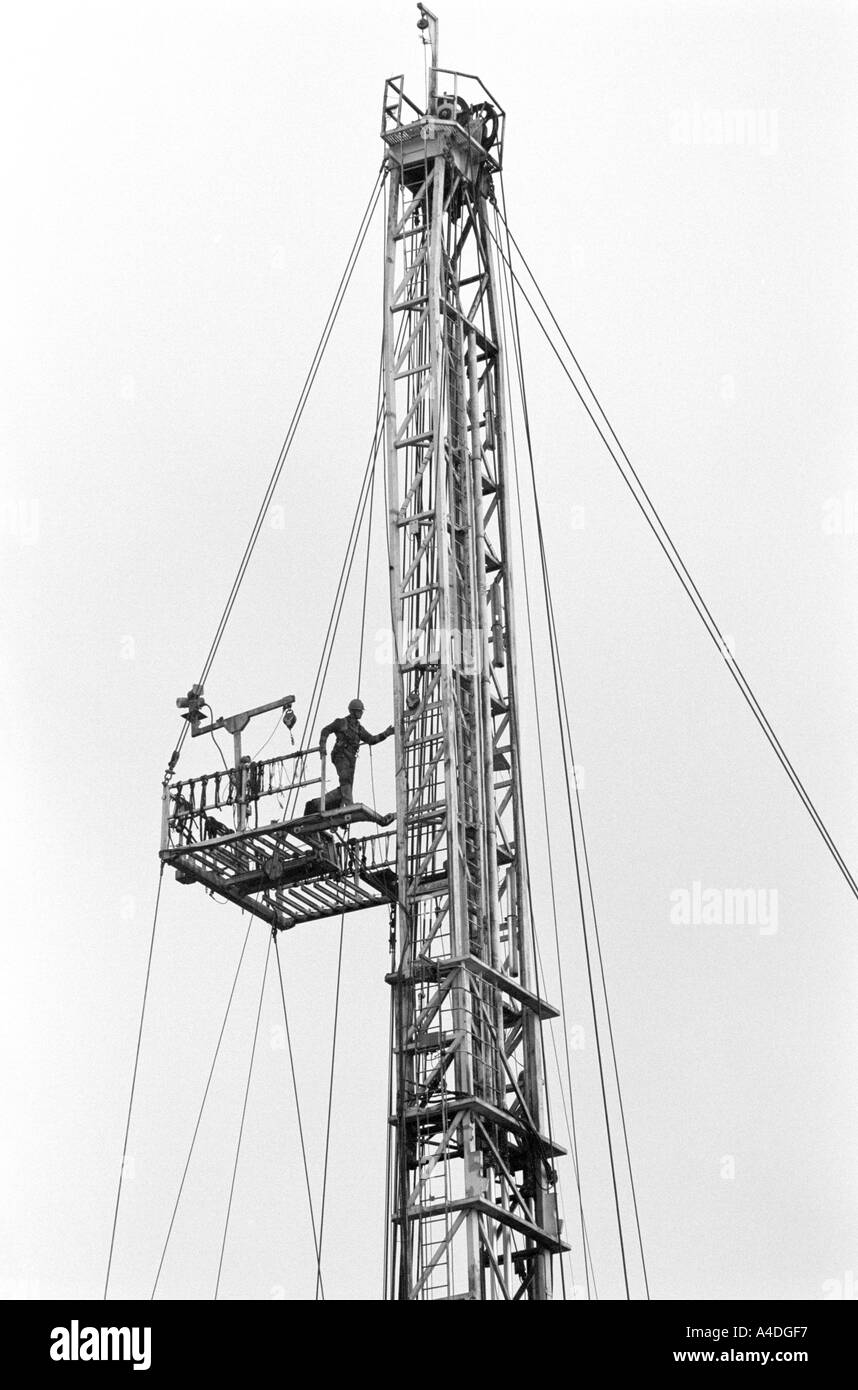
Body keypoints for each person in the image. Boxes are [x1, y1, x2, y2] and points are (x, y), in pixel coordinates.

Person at [318, 699, 394, 806]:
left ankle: (339, 805)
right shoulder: (341, 722)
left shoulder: (358, 728)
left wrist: (386, 734)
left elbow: (371, 740)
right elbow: (325, 730)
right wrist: (322, 746)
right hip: (340, 755)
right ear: (354, 711)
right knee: (345, 778)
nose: (362, 713)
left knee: (348, 783)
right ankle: (349, 805)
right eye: (360, 711)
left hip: (350, 758)